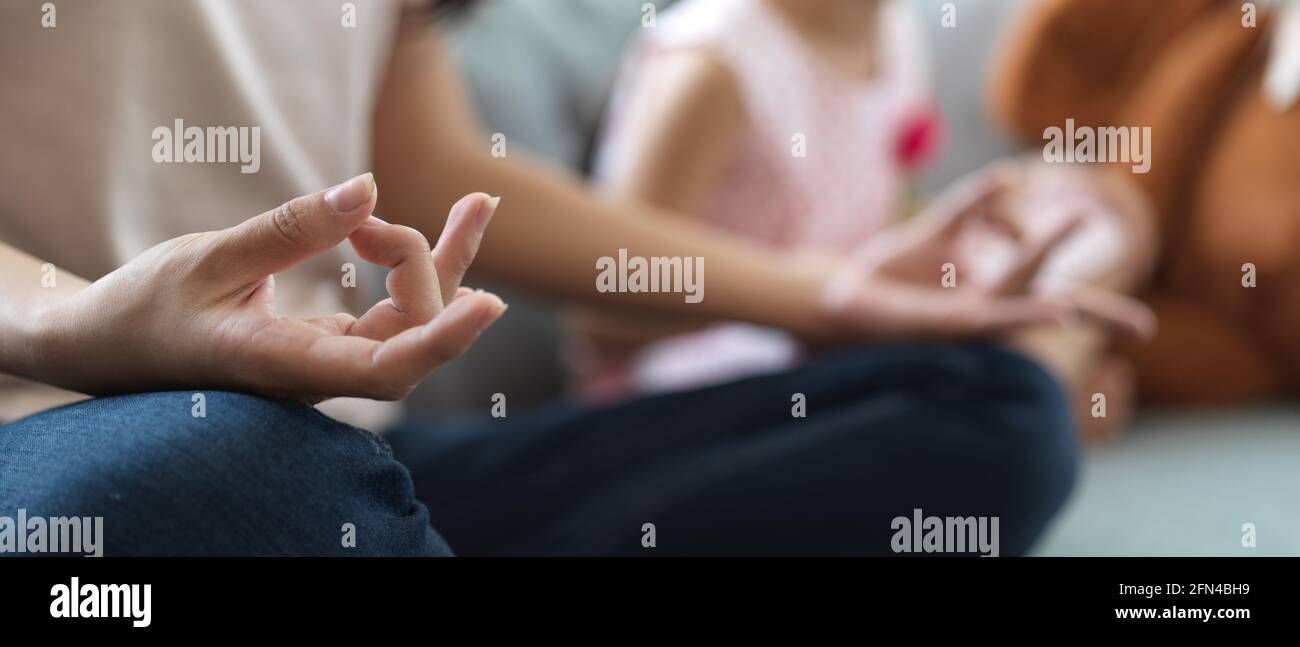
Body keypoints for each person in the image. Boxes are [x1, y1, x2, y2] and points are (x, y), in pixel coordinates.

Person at [0, 0, 1145, 555]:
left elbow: (439, 171)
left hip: (362, 452)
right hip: (77, 438)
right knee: (203, 486)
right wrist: (80, 322)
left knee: (992, 403)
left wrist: (831, 293)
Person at [569, 0, 1157, 442]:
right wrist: (822, 298)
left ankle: (1021, 394)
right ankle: (1028, 401)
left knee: (1090, 204)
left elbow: (876, 215)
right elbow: (608, 311)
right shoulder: (713, 66)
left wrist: (934, 252)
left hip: (853, 315)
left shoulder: (891, 29)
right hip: (710, 367)